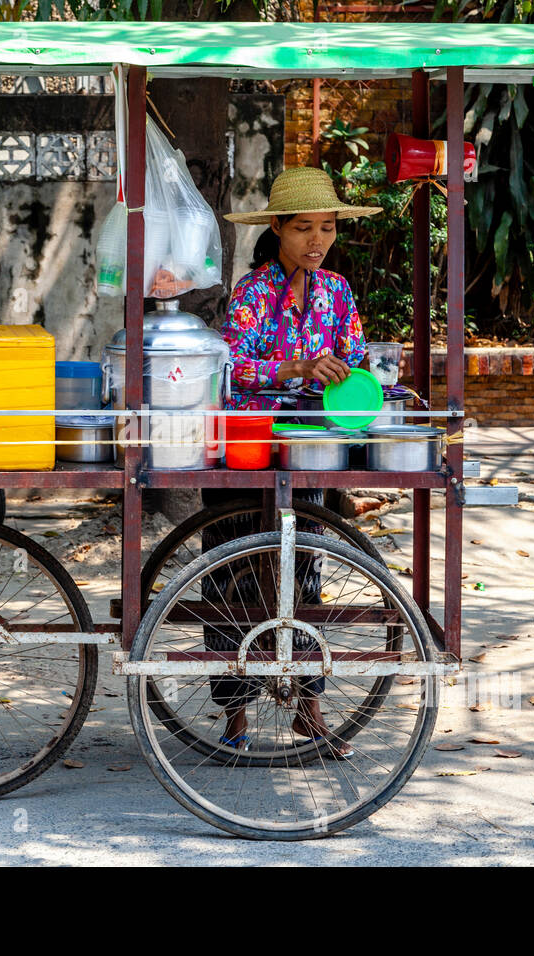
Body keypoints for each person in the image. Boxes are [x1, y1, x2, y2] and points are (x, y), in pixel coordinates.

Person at [201, 166, 384, 755]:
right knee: (232, 573)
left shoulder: (337, 292)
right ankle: (234, 719)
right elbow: (233, 369)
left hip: (311, 447)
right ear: (277, 227)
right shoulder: (252, 291)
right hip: (248, 445)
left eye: (327, 228)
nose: (317, 241)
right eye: (304, 227)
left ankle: (310, 709)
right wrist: (297, 368)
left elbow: (356, 361)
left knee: (304, 572)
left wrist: (353, 376)